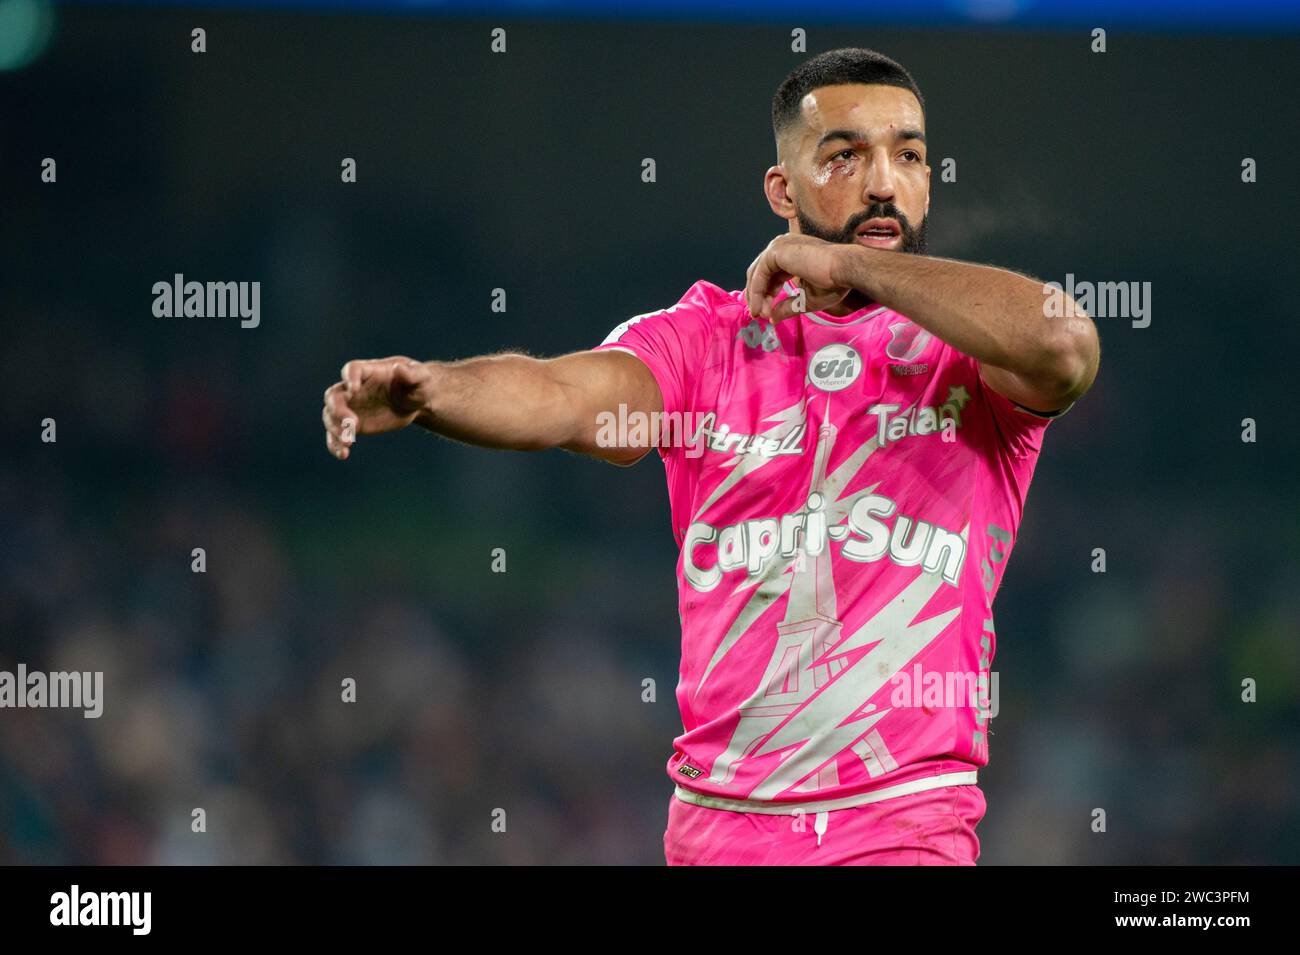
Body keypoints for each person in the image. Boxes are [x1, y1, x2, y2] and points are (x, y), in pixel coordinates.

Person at [320, 47, 1100, 865]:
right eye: (844, 155)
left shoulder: (965, 359)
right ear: (782, 191)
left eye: (907, 155)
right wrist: (432, 390)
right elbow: (558, 395)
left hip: (901, 827)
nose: (881, 181)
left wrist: (844, 261)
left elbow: (1063, 342)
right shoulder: (708, 343)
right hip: (719, 831)